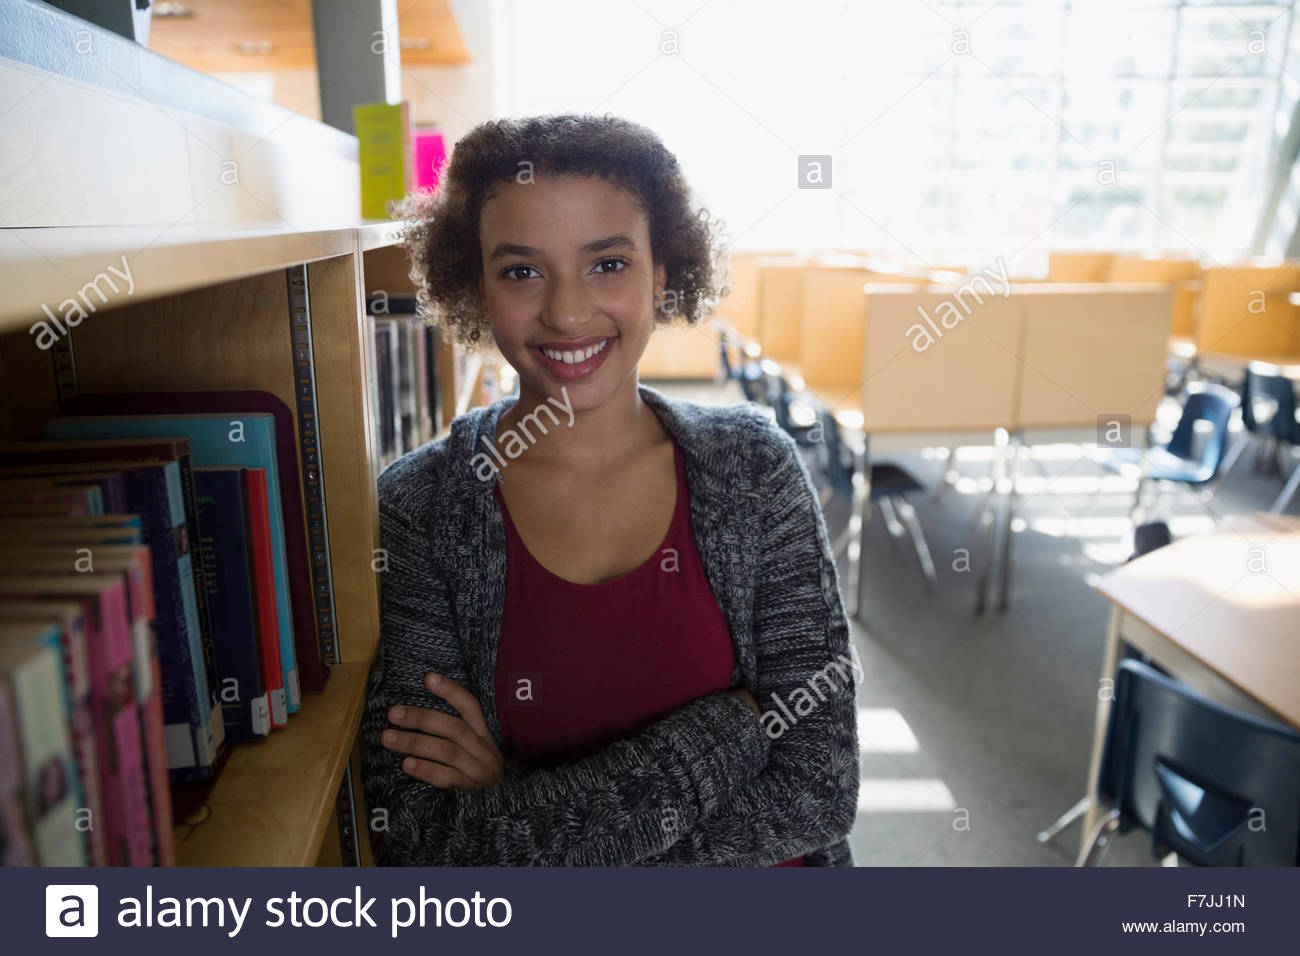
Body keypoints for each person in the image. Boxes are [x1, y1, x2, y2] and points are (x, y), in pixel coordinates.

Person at [360, 114, 859, 866]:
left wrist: (524, 809)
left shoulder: (754, 471)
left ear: (662, 274)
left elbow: (819, 790)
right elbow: (421, 834)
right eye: (522, 271)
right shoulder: (424, 506)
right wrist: (728, 734)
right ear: (476, 284)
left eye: (609, 264)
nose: (567, 312)